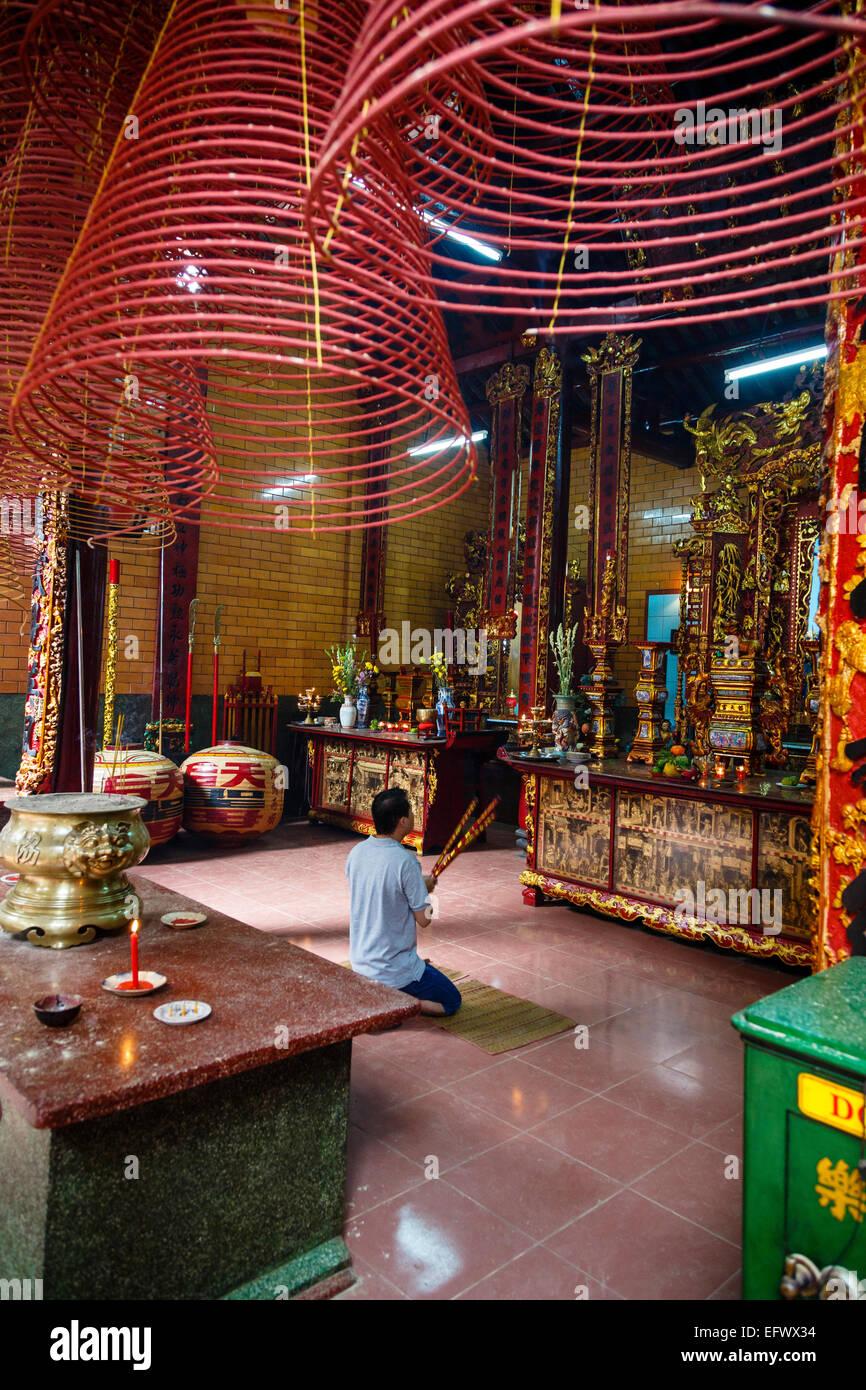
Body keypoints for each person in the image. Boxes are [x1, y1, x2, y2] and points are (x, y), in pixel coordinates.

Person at [346, 786, 462, 1017]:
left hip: (360, 963)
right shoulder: (405, 861)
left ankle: (383, 996)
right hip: (392, 970)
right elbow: (425, 920)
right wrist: (426, 893)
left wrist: (418, 886)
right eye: (410, 811)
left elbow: (384, 889)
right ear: (402, 821)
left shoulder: (356, 852)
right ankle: (398, 1003)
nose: (413, 815)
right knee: (452, 1001)